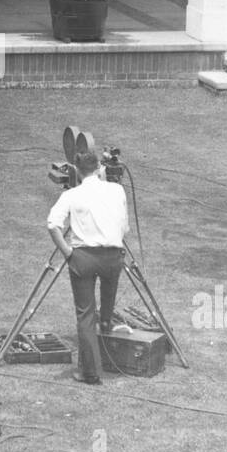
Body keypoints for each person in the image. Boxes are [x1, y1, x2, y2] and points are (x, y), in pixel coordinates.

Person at [46, 151, 130, 385]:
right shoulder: (117, 190)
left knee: (85, 315)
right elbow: (125, 230)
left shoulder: (73, 194)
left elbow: (53, 224)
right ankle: (106, 329)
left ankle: (90, 372)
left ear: (76, 170)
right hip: (113, 258)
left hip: (83, 258)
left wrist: (68, 252)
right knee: (106, 307)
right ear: (99, 169)